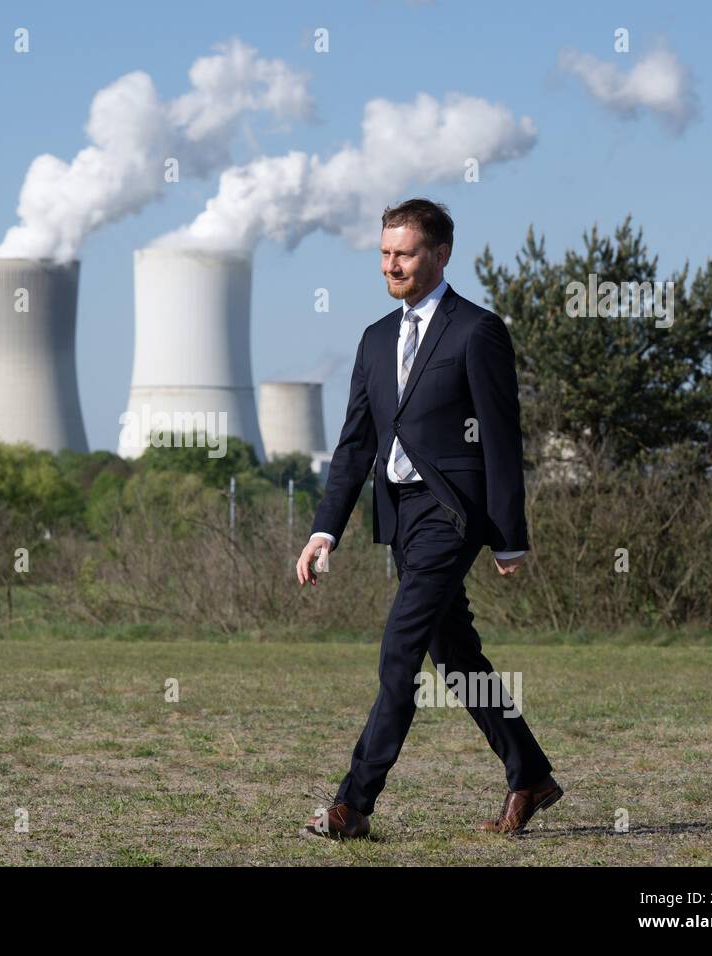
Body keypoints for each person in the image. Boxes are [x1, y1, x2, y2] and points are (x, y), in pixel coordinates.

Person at [297, 198, 561, 839]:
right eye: (385, 253)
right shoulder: (374, 338)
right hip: (401, 516)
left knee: (400, 650)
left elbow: (501, 438)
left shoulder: (477, 330)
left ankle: (353, 804)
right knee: (456, 654)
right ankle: (529, 772)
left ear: (439, 255)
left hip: (453, 512)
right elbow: (355, 444)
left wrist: (509, 534)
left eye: (405, 253)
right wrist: (325, 529)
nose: (392, 265)